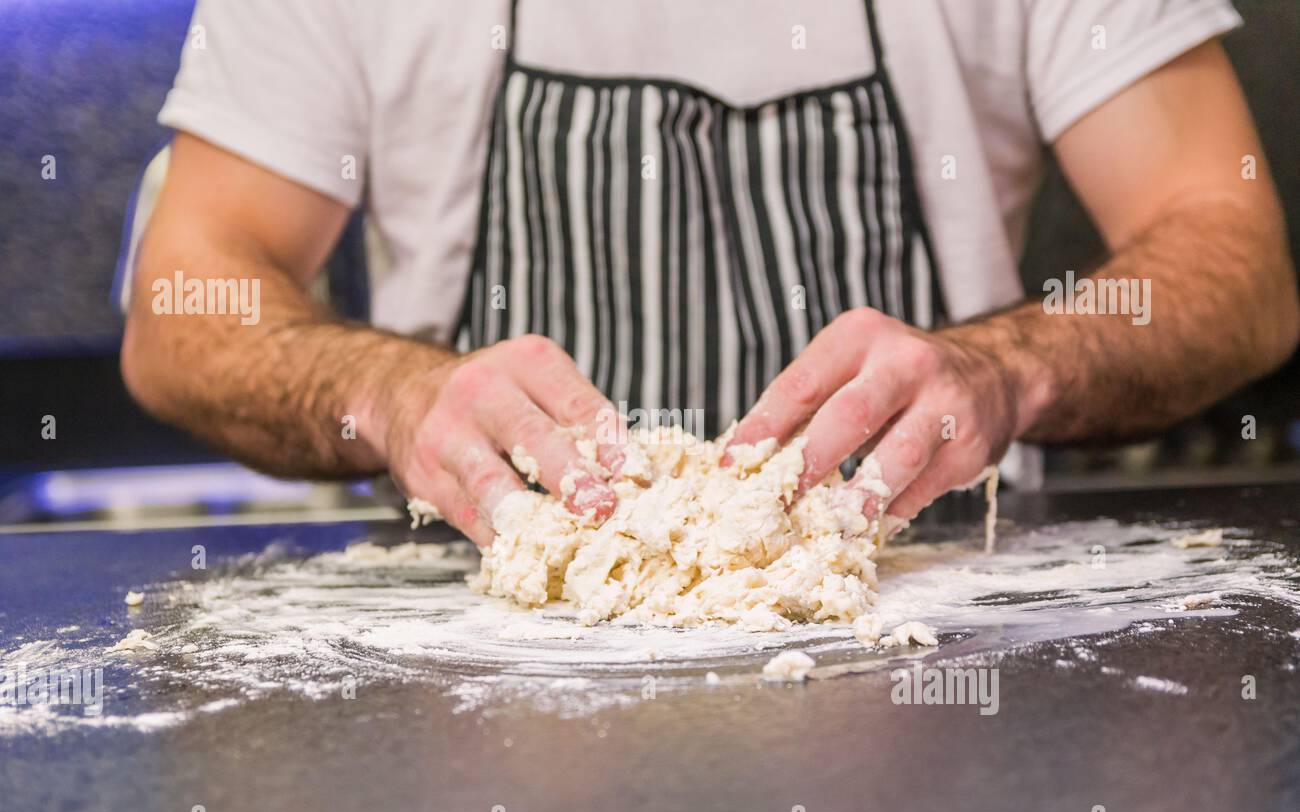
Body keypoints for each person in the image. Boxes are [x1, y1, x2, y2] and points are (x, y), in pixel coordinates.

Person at [119, 0, 1299, 546]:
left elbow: (1227, 250)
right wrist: (392, 394)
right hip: (488, 637)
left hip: (933, 612)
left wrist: (1001, 369)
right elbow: (185, 302)